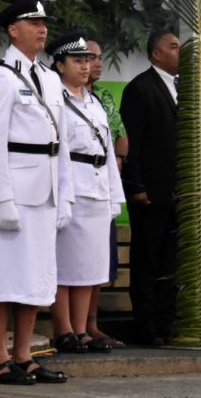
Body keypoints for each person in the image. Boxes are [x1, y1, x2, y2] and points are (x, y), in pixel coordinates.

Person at [0, 0, 71, 385]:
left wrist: (64, 195)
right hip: (12, 189)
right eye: (32, 22)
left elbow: (60, 143)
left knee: (34, 277)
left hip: (43, 189)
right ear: (13, 30)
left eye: (43, 21)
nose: (41, 28)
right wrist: (3, 198)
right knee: (1, 276)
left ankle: (24, 355)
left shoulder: (49, 77)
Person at [47, 30, 124, 354]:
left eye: (87, 60)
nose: (85, 65)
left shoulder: (93, 102)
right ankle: (63, 329)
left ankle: (81, 330)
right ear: (60, 65)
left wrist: (113, 194)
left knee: (89, 267)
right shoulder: (55, 100)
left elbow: (106, 150)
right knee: (65, 265)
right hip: (71, 186)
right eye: (77, 60)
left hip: (95, 186)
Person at [119, 29, 180, 346]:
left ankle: (166, 322)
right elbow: (133, 142)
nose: (179, 52)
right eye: (173, 47)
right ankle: (146, 325)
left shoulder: (184, 87)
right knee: (147, 260)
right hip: (150, 192)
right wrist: (136, 185)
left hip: (178, 192)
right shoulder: (140, 89)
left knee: (171, 261)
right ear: (156, 54)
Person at [83, 38, 126, 348]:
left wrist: (116, 163)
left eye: (99, 57)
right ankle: (73, 327)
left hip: (104, 185)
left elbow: (121, 137)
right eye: (89, 57)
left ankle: (92, 324)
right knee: (77, 263)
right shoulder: (59, 94)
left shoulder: (104, 98)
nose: (95, 63)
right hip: (79, 188)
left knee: (100, 262)